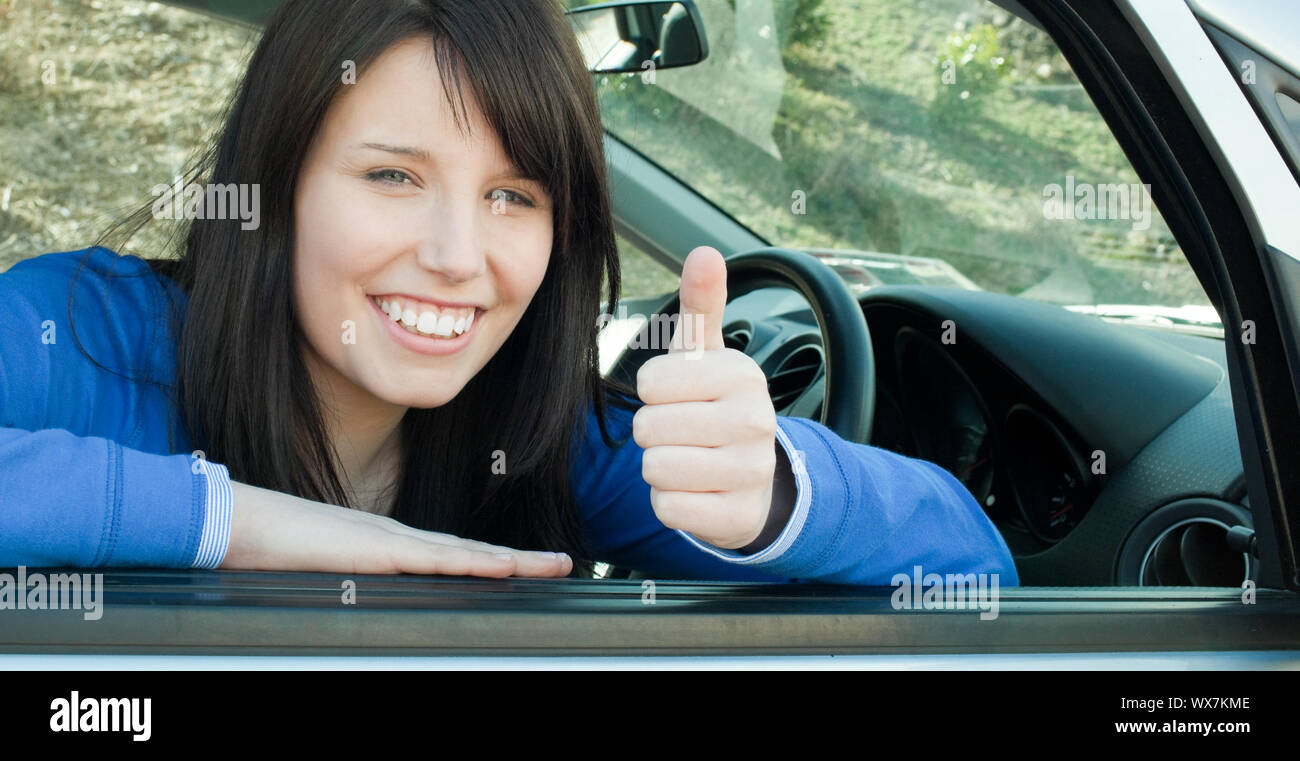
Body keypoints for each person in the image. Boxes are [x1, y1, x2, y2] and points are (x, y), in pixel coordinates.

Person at [0, 0, 1016, 585]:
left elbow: (974, 572)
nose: (457, 255)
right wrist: (236, 522)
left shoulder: (549, 437)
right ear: (275, 185)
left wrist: (775, 494)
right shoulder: (73, 338)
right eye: (392, 176)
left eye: (510, 195)